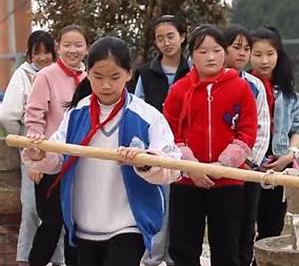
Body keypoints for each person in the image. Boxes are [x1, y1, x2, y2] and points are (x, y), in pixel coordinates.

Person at [22, 36, 182, 266]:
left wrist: (146, 162)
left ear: (128, 74)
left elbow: (173, 167)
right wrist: (39, 154)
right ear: (87, 73)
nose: (106, 85)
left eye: (115, 77)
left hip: (129, 224)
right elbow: (57, 158)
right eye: (98, 77)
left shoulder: (148, 117)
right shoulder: (77, 113)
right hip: (83, 224)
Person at [164, 24, 257, 266]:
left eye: (216, 50)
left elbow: (247, 131)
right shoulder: (179, 90)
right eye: (202, 51)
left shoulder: (240, 87)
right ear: (191, 55)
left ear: (224, 53)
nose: (210, 57)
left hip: (227, 180)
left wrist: (222, 164)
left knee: (227, 249)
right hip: (186, 181)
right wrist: (191, 166)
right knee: (184, 248)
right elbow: (171, 133)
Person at [24, 24, 89, 266]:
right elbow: (34, 117)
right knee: (52, 222)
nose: (72, 50)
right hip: (52, 162)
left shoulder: (91, 77)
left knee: (78, 225)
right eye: (67, 45)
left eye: (78, 45)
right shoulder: (46, 75)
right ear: (58, 47)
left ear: (87, 48)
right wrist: (36, 157)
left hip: (82, 164)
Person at [0, 30, 64, 266]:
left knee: (53, 207)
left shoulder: (60, 73)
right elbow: (7, 114)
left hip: (56, 146)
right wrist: (22, 140)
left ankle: (51, 258)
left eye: (47, 51)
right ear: (29, 54)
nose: (43, 57)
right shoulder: (24, 75)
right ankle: (27, 258)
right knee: (34, 207)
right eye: (37, 52)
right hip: (37, 147)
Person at [134, 14, 190, 266]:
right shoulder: (146, 73)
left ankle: (177, 257)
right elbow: (138, 110)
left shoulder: (193, 70)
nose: (166, 42)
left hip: (189, 148)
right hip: (157, 149)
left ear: (183, 36)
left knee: (184, 209)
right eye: (160, 38)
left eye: (171, 36)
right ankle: (153, 258)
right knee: (160, 205)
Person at [249, 26, 299, 242]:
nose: (264, 61)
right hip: (249, 166)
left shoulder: (289, 94)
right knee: (244, 225)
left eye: (270, 54)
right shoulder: (242, 86)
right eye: (258, 54)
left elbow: (297, 127)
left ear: (278, 55)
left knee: (272, 226)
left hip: (281, 166)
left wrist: (290, 154)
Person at [223, 24, 270, 266]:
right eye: (236, 47)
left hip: (249, 168)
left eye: (246, 49)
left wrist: (249, 161)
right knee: (224, 228)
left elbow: (261, 127)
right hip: (219, 170)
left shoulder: (255, 85)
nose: (242, 53)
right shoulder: (211, 83)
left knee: (246, 226)